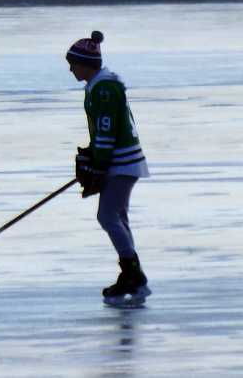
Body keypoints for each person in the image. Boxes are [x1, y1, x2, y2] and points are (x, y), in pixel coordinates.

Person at [66, 30, 151, 306]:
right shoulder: (99, 86)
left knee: (107, 216)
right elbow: (102, 133)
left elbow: (107, 130)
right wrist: (92, 156)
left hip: (122, 163)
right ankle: (132, 274)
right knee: (117, 217)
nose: (70, 69)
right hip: (122, 162)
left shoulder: (103, 89)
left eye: (73, 64)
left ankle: (133, 273)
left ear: (86, 64)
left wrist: (99, 164)